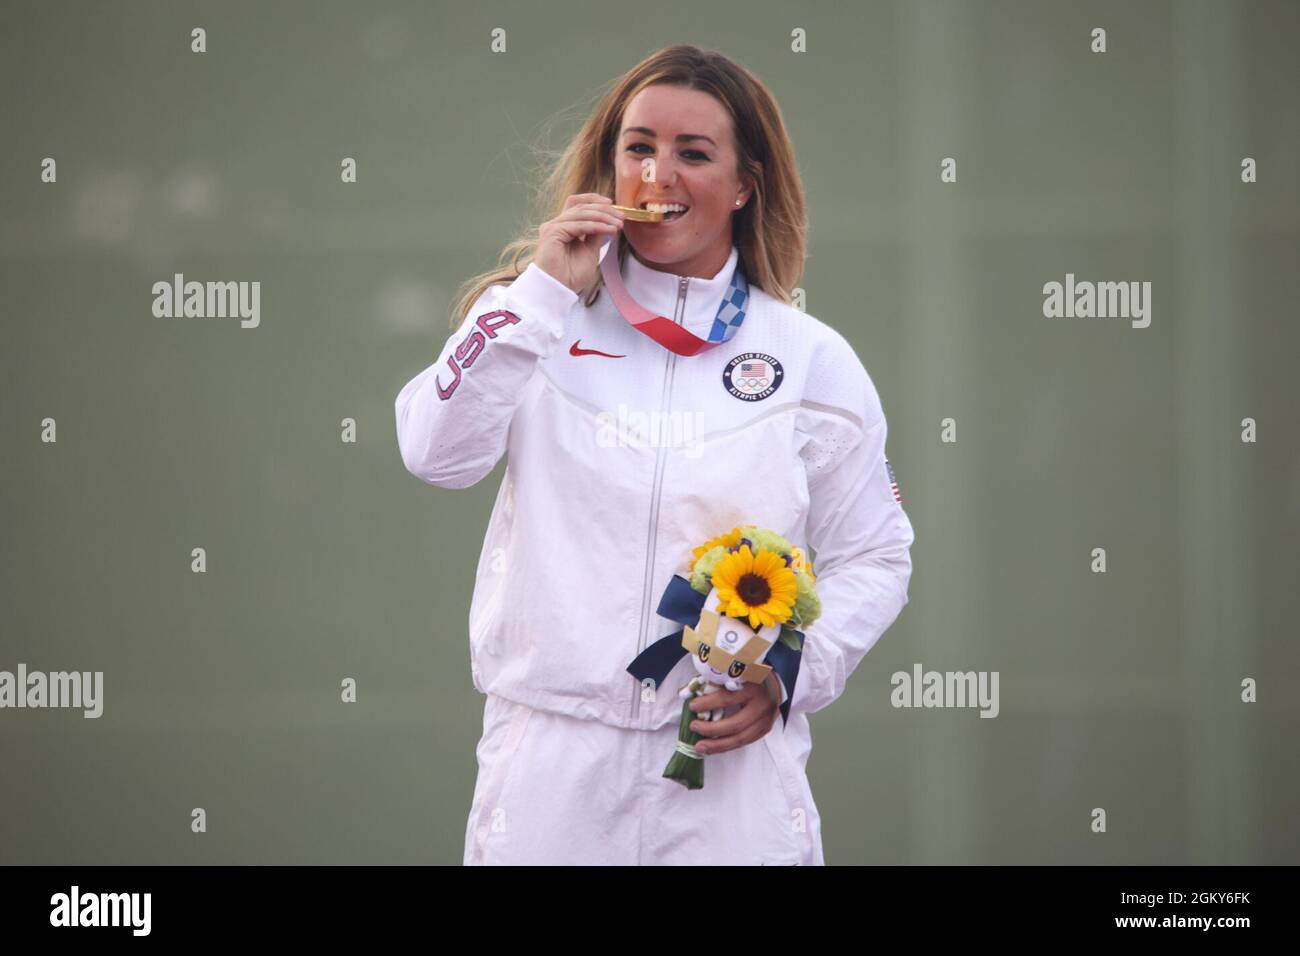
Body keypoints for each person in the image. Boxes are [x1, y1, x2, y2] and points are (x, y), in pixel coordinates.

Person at [394, 45, 914, 865]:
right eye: (637, 148)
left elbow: (877, 554)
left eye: (692, 153)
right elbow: (433, 451)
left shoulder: (811, 358)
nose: (656, 173)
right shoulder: (534, 315)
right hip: (551, 769)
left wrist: (787, 671)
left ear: (746, 184)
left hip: (726, 767)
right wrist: (538, 293)